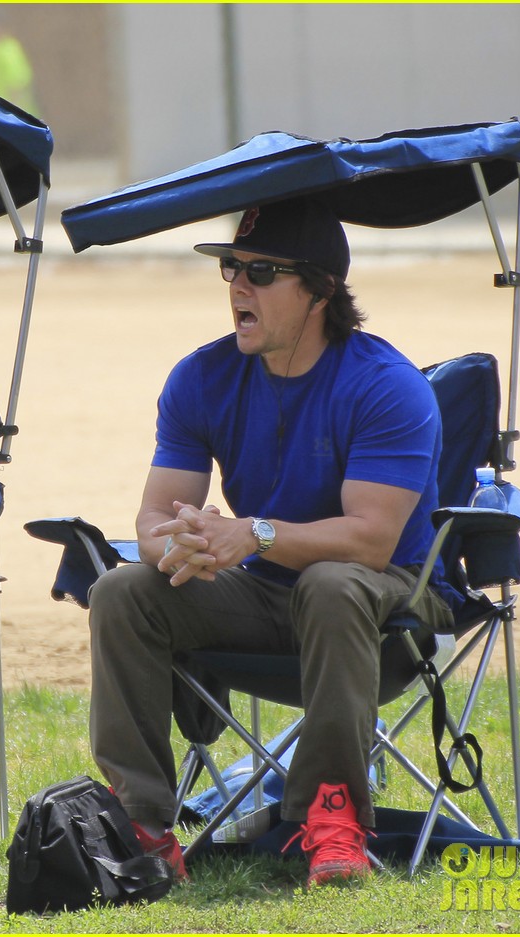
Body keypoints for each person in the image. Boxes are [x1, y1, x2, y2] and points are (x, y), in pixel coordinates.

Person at [87, 197, 457, 887]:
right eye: (231, 267)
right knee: (122, 589)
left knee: (332, 581)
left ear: (319, 289)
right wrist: (184, 542)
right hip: (261, 596)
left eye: (261, 271)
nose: (237, 285)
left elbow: (371, 543)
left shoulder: (387, 387)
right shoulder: (201, 377)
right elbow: (151, 520)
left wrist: (252, 534)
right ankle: (140, 825)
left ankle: (333, 817)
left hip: (388, 610)